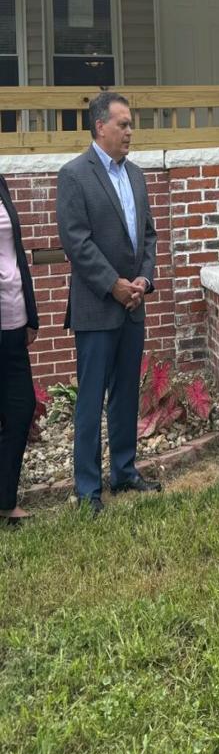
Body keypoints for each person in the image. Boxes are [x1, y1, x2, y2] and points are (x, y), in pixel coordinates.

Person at [57, 91, 159, 513]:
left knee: (125, 395)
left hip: (133, 305)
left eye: (131, 124)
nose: (130, 132)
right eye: (123, 124)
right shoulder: (74, 175)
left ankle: (124, 470)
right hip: (98, 308)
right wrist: (113, 284)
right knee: (92, 397)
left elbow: (148, 236)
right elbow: (76, 242)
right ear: (100, 126)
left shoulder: (135, 175)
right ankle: (87, 489)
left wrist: (143, 281)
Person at [0, 173, 39, 525]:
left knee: (21, 405)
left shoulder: (1, 184)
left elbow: (17, 255)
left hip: (12, 320)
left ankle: (5, 497)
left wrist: (30, 315)